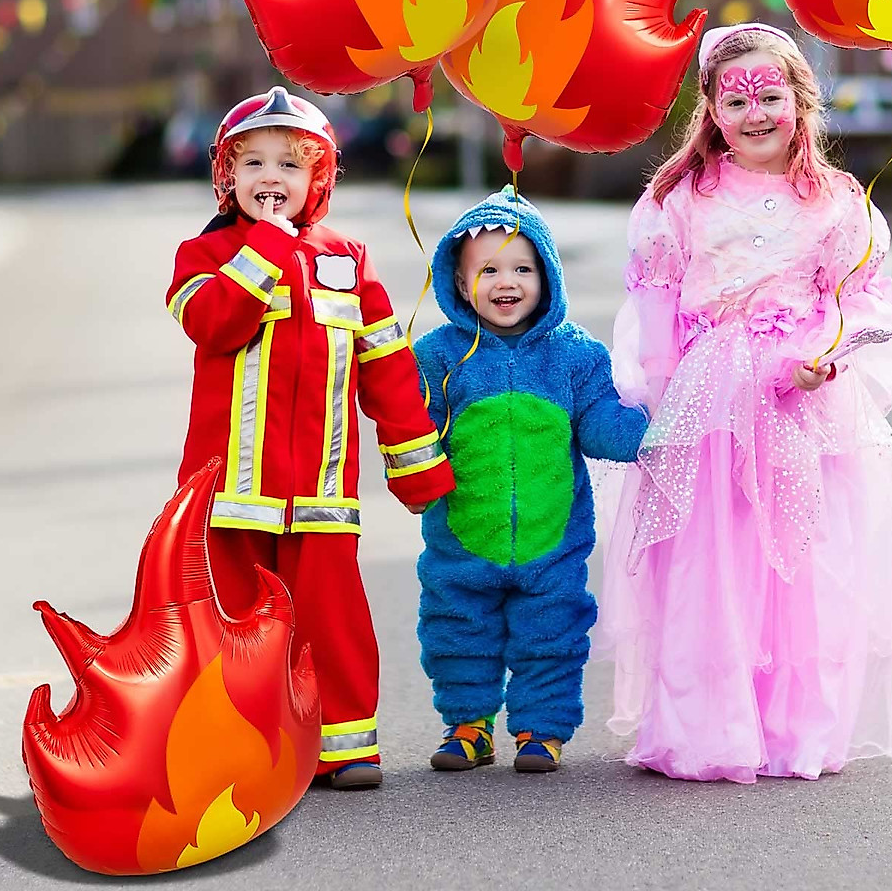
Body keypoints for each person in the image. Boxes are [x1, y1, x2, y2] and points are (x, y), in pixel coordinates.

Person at [597, 23, 892, 782]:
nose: (756, 114)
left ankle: (795, 727)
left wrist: (826, 360)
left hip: (803, 409)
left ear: (800, 102)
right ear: (710, 111)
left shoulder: (839, 204)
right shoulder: (678, 201)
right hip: (709, 411)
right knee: (714, 565)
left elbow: (862, 300)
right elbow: (654, 305)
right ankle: (705, 726)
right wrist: (662, 406)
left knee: (801, 568)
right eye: (736, 102)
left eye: (771, 96)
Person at [166, 86, 453, 790]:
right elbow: (214, 325)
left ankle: (343, 746)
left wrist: (416, 467)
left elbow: (385, 370)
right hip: (229, 496)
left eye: (292, 165)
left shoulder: (350, 262)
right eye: (254, 162)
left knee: (334, 622)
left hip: (322, 495)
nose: (272, 178)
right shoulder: (200, 255)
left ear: (318, 179)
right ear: (225, 177)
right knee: (232, 627)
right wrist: (264, 246)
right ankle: (242, 752)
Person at [412, 186, 647, 773]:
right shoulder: (440, 356)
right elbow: (414, 427)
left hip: (553, 541)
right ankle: (467, 724)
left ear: (547, 277)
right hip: (461, 537)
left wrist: (646, 425)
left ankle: (542, 729)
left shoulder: (574, 357)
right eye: (487, 269)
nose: (506, 281)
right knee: (457, 630)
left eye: (522, 267)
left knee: (553, 631)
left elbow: (598, 425)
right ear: (461, 283)